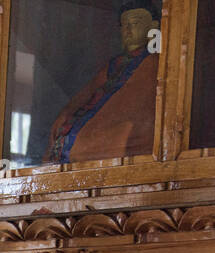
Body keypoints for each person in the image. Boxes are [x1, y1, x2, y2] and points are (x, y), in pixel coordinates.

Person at [42, 1, 159, 165]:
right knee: (65, 131)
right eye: (124, 24)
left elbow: (138, 105)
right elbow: (85, 96)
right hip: (96, 125)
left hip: (126, 130)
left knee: (85, 142)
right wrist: (66, 116)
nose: (128, 29)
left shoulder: (154, 62)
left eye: (135, 23)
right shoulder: (115, 64)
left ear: (153, 27)